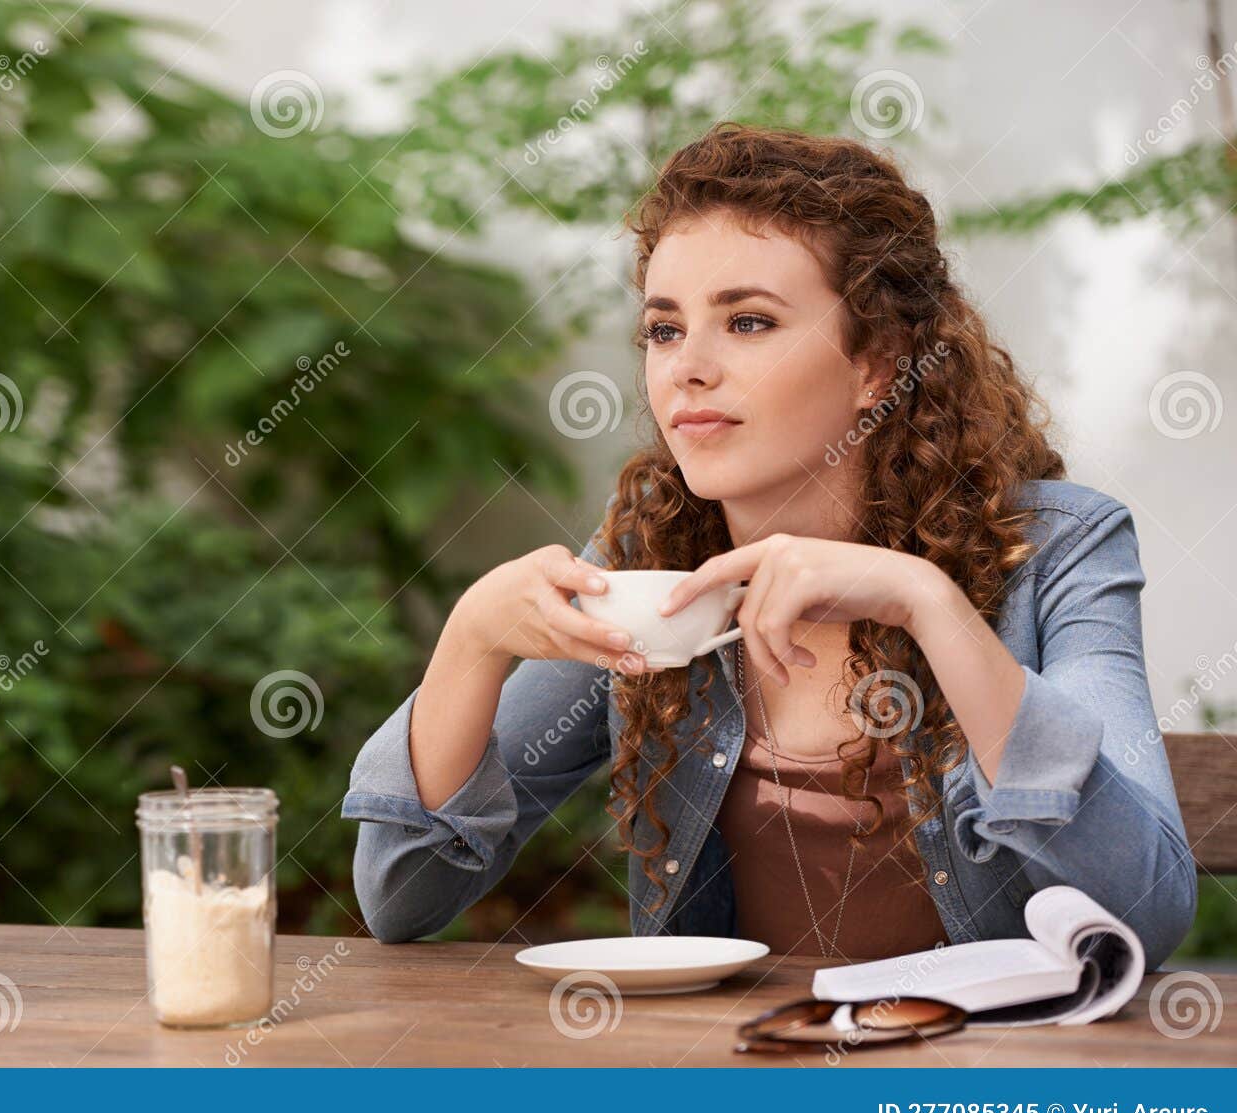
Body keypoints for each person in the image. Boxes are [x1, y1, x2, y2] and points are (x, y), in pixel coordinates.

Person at [340, 122, 1197, 971]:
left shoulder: (1056, 551)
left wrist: (928, 604)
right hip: (728, 1056)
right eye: (664, 330)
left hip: (977, 1056)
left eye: (748, 322)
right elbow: (402, 898)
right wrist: (472, 642)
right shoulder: (649, 563)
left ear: (876, 362)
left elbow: (1147, 909)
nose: (688, 367)